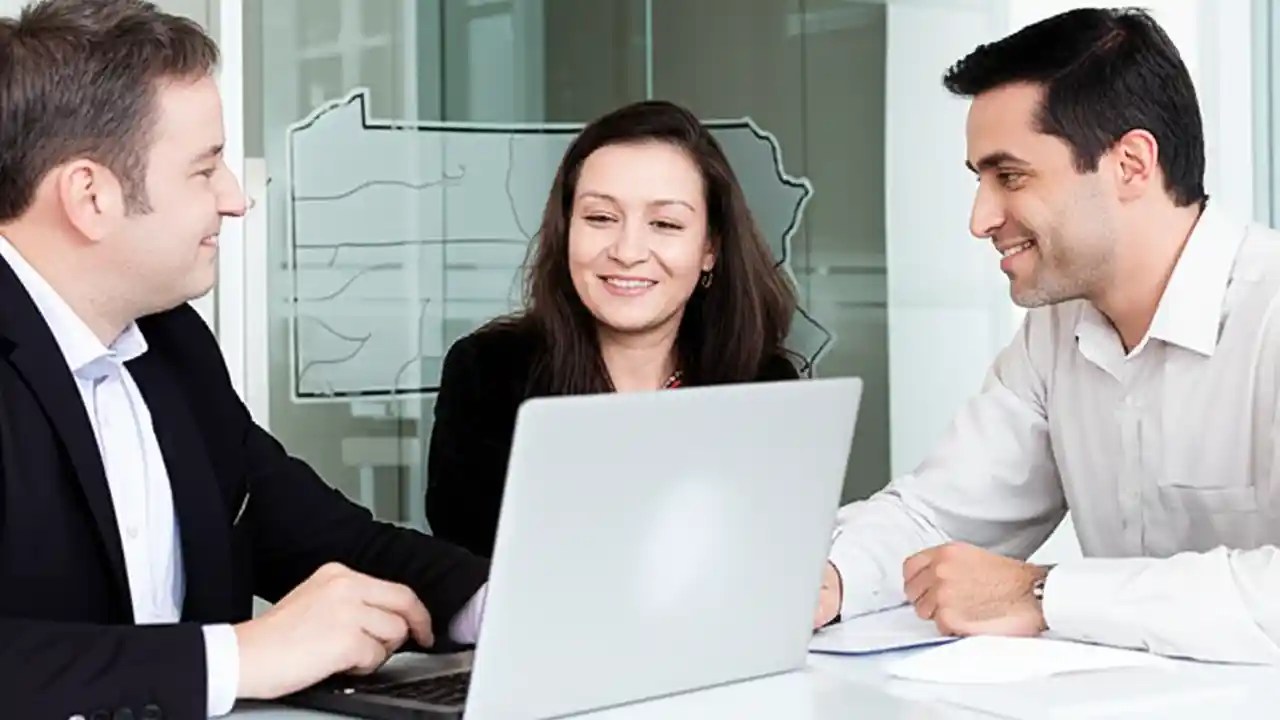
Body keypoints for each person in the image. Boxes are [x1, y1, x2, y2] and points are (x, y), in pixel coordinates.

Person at [0, 1, 491, 717]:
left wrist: (497, 605)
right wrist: (239, 656)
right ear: (90, 196)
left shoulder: (173, 345)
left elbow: (326, 538)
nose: (236, 199)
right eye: (205, 170)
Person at [814, 7, 1280, 665]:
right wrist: (827, 580)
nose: (981, 219)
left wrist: (1041, 594)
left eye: (1009, 177)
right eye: (979, 180)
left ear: (1130, 164)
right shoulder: (1055, 335)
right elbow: (937, 516)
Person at [426, 100, 801, 558]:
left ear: (710, 249)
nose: (627, 250)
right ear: (566, 231)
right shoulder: (487, 374)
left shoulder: (765, 383)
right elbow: (471, 562)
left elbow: (776, 554)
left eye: (665, 223)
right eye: (601, 218)